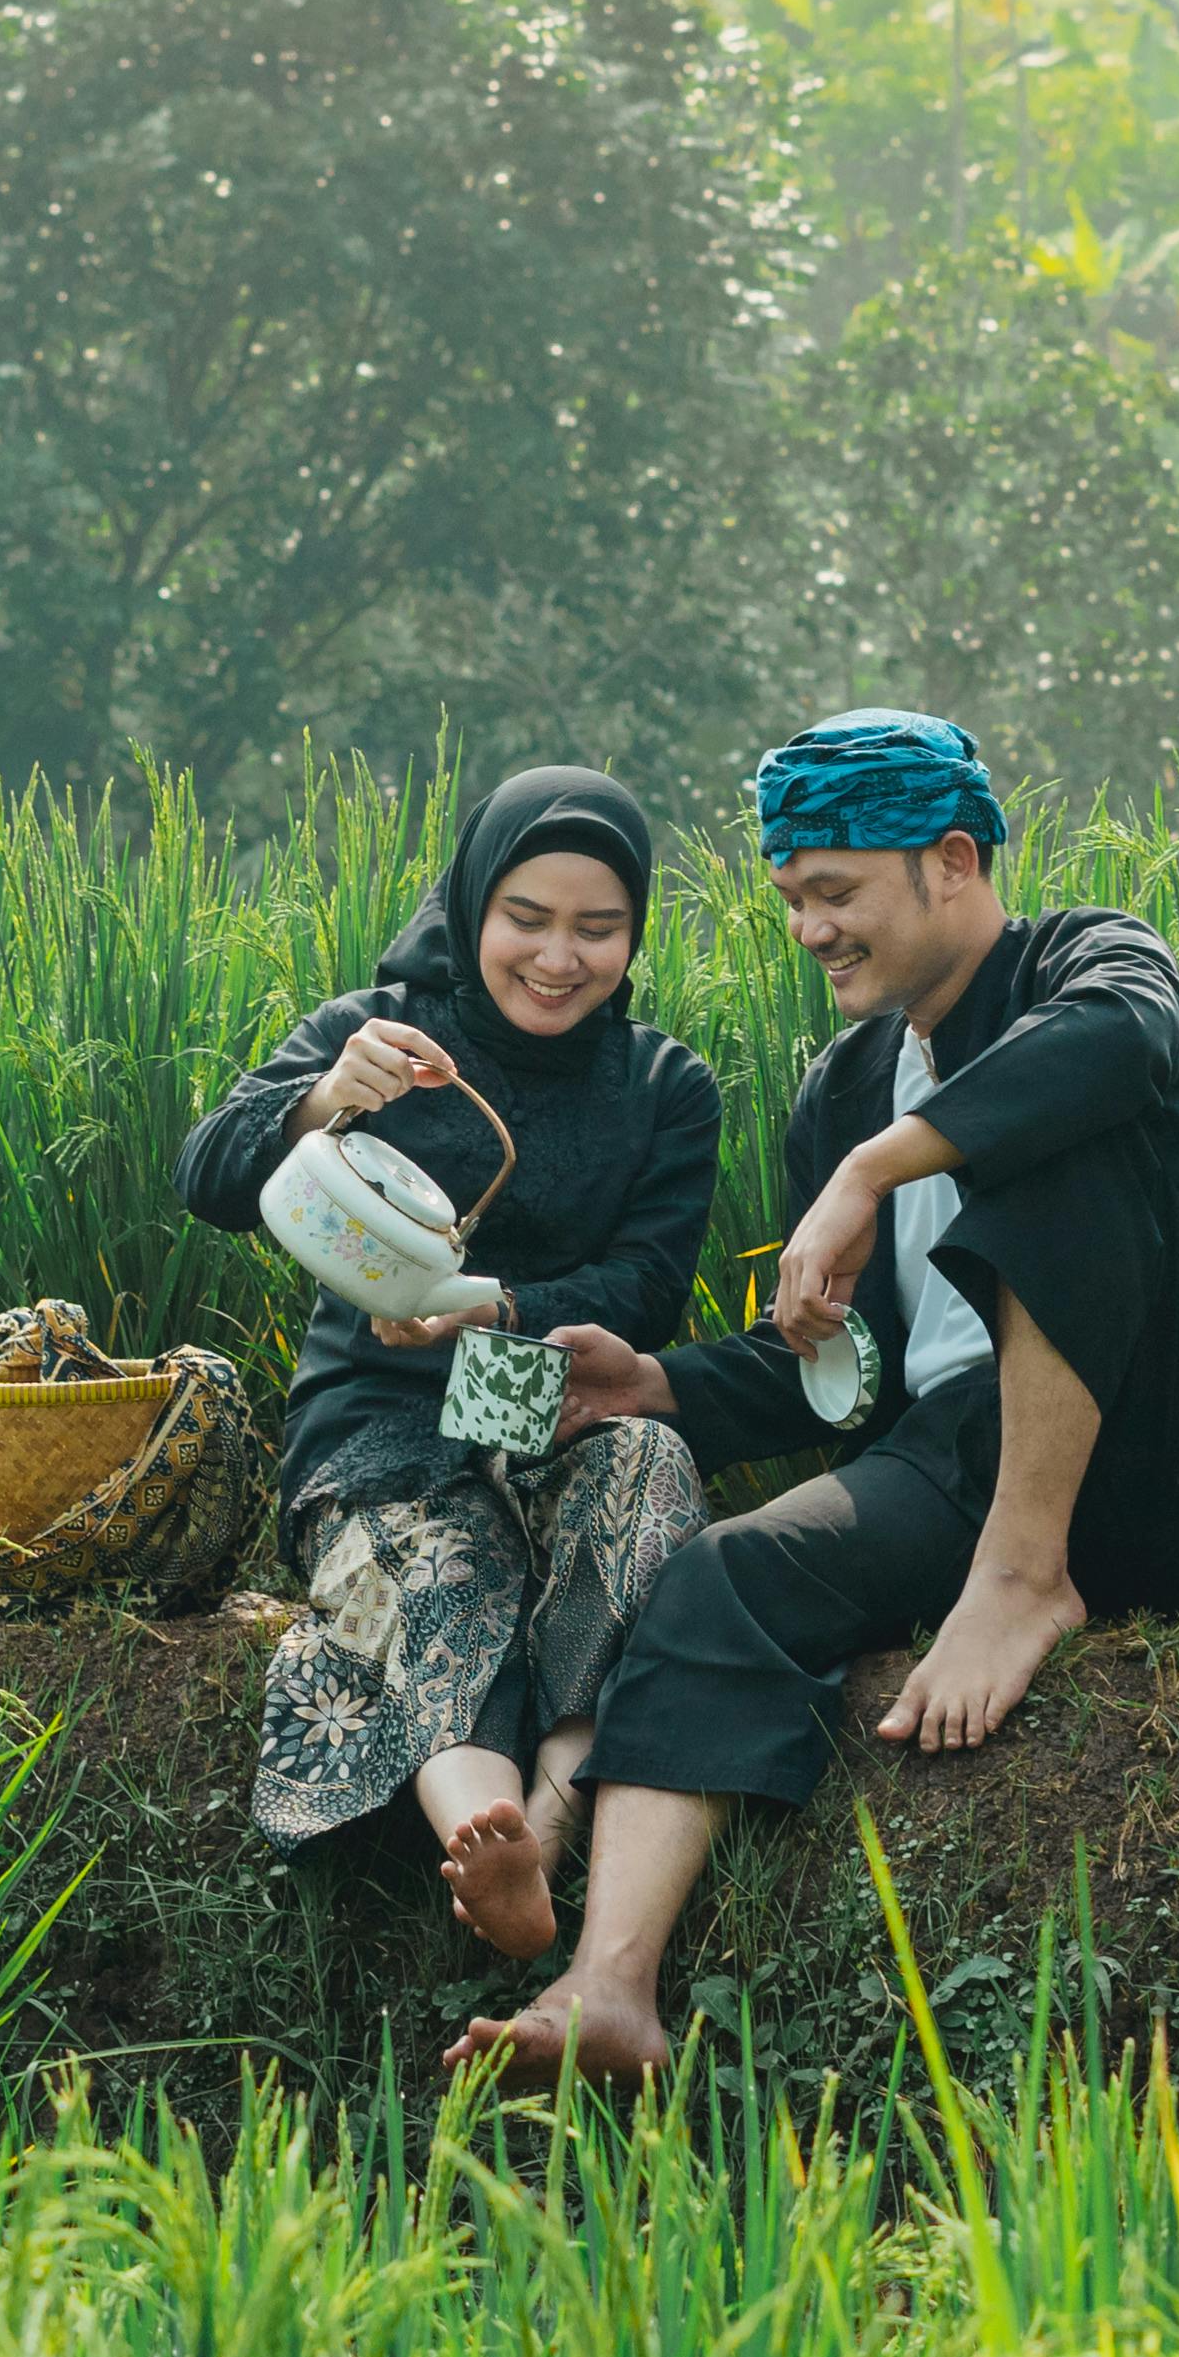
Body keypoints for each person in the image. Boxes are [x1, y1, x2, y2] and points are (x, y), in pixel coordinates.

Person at [452, 708, 1179, 2087]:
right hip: (954, 1450)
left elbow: (1107, 1052)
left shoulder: (1087, 961)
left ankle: (1025, 1576)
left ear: (951, 860)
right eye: (792, 897)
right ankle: (607, 1983)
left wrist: (874, 1173)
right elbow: (840, 1371)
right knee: (716, 1578)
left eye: (835, 891)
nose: (809, 928)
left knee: (1043, 1120)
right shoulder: (843, 1084)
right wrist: (658, 1383)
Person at [178, 767, 723, 1958]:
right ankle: (479, 1819)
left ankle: (542, 1831)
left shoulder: (663, 1085)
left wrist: (486, 1304)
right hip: (380, 1410)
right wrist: (323, 1098)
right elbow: (206, 1174)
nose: (557, 956)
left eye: (597, 928)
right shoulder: (370, 1032)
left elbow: (645, 1285)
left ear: (634, 935)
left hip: (549, 1396)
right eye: (525, 917)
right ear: (472, 902)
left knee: (648, 1475)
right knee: (443, 1564)